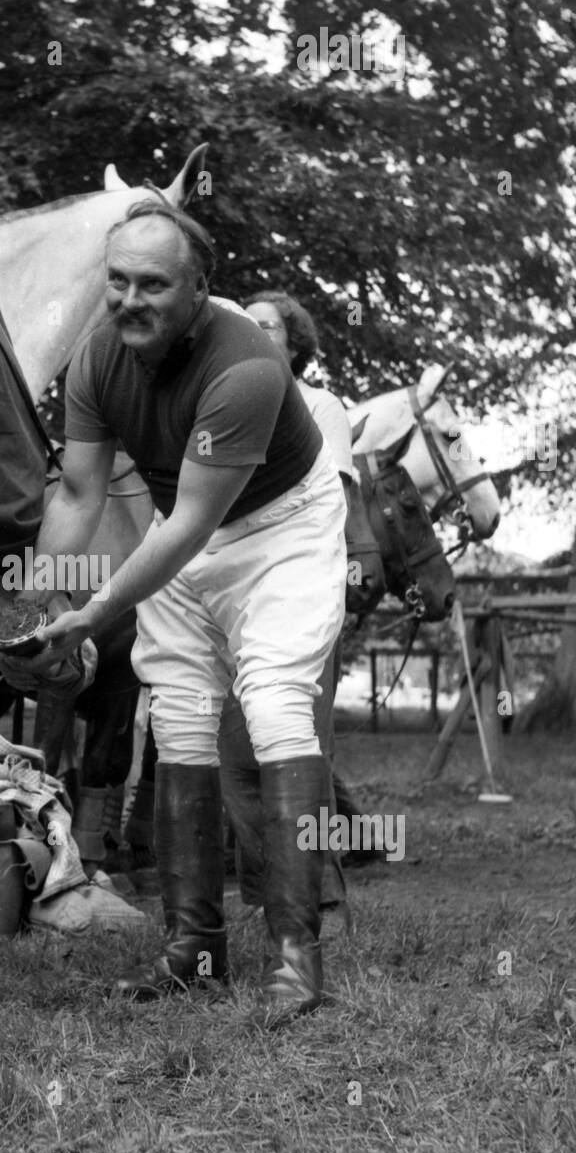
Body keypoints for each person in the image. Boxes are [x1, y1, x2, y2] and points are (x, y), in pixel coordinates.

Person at [14, 201, 347, 1019]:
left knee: (271, 706)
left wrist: (90, 614)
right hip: (183, 526)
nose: (129, 300)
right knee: (179, 719)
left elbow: (196, 522)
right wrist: (30, 602)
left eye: (152, 284)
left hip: (281, 531)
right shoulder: (95, 360)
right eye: (116, 281)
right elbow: (82, 490)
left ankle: (298, 963)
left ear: (198, 290)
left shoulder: (249, 368)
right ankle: (194, 948)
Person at [217, 291, 384, 911]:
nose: (252, 334)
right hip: (229, 595)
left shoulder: (321, 406)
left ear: (294, 345)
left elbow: (332, 498)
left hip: (299, 591)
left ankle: (320, 891)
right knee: (233, 744)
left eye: (266, 327)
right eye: (244, 326)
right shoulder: (222, 403)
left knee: (302, 739)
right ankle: (266, 893)